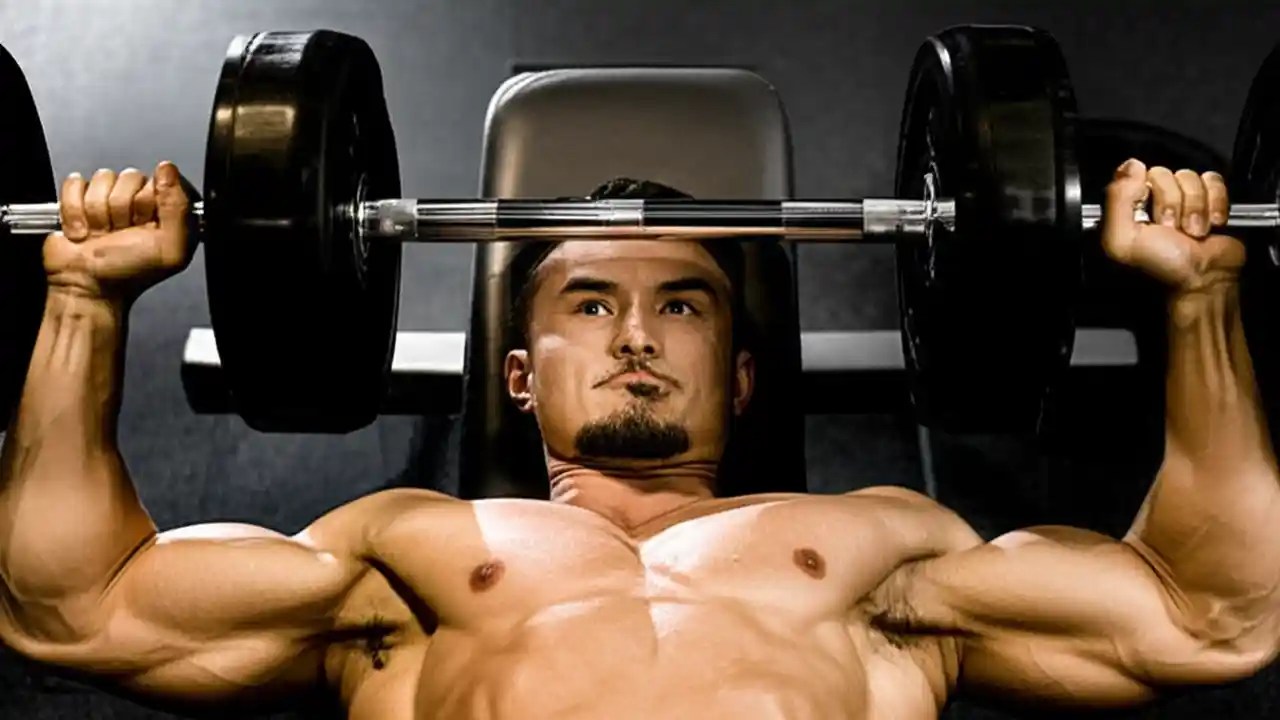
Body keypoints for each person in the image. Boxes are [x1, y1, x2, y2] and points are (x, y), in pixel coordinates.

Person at [0, 159, 1277, 720]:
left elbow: (1211, 614)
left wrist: (1201, 298)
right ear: (517, 373)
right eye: (588, 304)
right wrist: (81, 299)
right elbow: (76, 607)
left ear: (738, 374)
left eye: (680, 305)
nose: (632, 336)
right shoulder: (407, 551)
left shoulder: (879, 548)